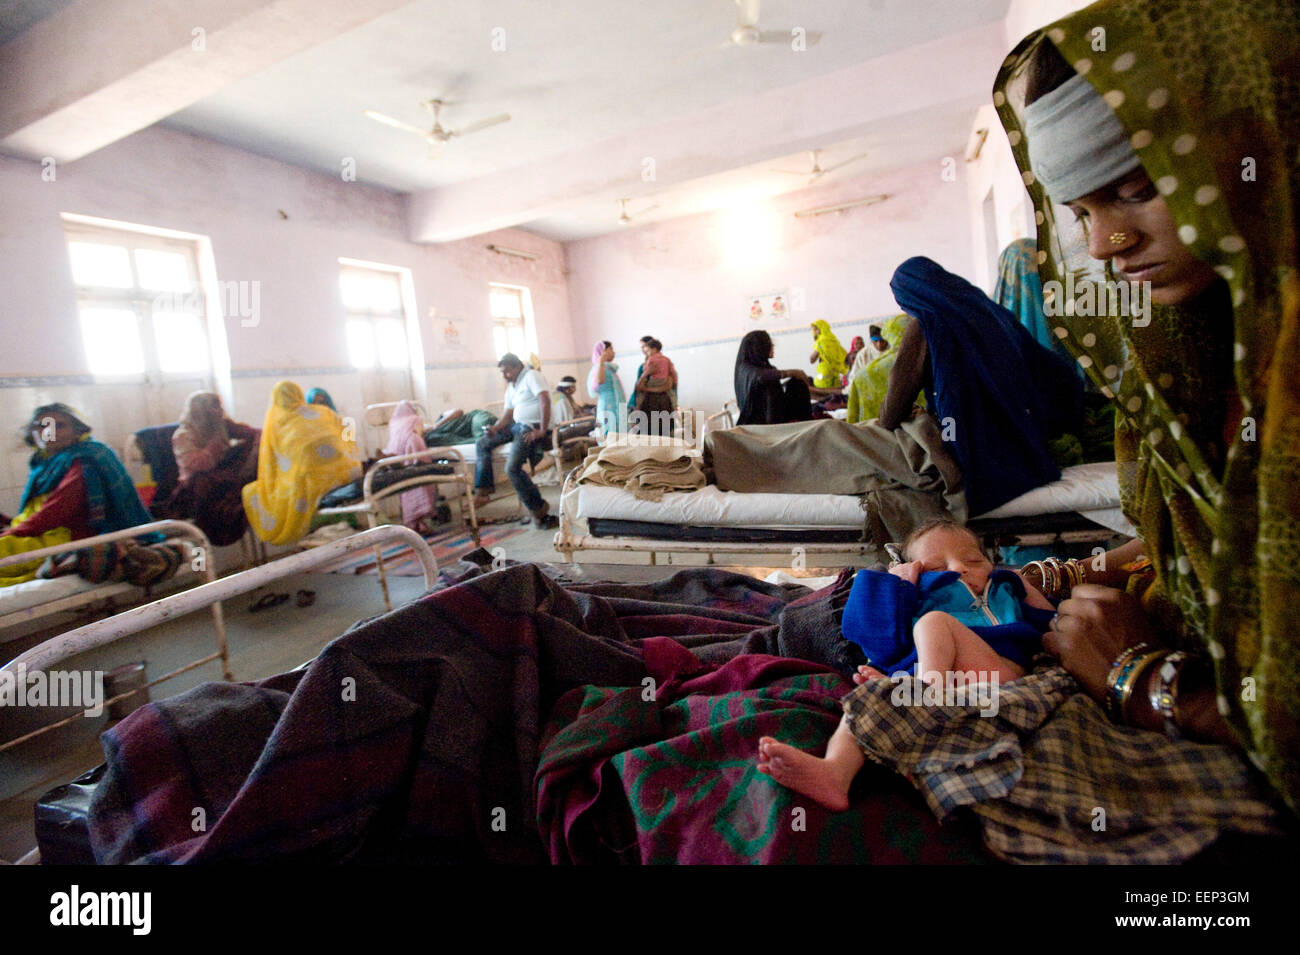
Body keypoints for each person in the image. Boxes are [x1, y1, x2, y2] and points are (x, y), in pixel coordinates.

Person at [991, 0, 1299, 810]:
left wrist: (1144, 680)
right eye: (1083, 212)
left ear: (1258, 147)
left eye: (1135, 189)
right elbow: (1216, 550)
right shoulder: (1189, 347)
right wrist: (1086, 568)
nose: (1102, 245)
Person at [756, 520, 1056, 810]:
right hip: (944, 686)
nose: (958, 568)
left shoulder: (1004, 588)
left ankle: (923, 697)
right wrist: (894, 585)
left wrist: (1023, 584)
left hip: (1000, 673)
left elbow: (1052, 624)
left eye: (973, 560)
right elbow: (872, 636)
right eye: (936, 567)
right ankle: (835, 773)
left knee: (934, 625)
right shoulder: (915, 597)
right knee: (867, 701)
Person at [1, 404, 154, 586]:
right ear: (32, 433)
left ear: (77, 430)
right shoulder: (44, 462)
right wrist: (11, 526)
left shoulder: (86, 459)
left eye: (60, 425)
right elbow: (36, 511)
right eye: (42, 426)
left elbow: (57, 511)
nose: (50, 431)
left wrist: (14, 532)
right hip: (41, 531)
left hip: (70, 538)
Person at [241, 381, 362, 546]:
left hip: (310, 483)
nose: (320, 403)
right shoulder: (324, 413)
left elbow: (272, 462)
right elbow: (350, 445)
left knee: (253, 493)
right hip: (348, 473)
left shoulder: (278, 422)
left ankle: (311, 533)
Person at [156, 392, 260, 546]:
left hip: (223, 478)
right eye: (214, 408)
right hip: (195, 486)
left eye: (219, 407)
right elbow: (201, 465)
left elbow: (256, 433)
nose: (218, 411)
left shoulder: (222, 425)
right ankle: (205, 546)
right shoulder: (183, 435)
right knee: (203, 481)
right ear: (200, 411)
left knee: (248, 448)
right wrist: (215, 442)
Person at [473, 353, 556, 528]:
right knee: (482, 443)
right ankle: (483, 491)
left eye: (507, 371)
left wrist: (542, 429)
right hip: (517, 425)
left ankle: (540, 512)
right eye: (501, 372)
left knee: (512, 468)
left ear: (517, 367)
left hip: (530, 427)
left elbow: (545, 401)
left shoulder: (532, 376)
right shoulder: (512, 386)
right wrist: (495, 428)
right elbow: (508, 414)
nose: (504, 376)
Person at [845, 314, 926, 425]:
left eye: (882, 340)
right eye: (875, 341)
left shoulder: (903, 358)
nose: (879, 344)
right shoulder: (863, 354)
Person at [381, 400, 442, 535]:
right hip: (414, 446)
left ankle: (413, 523)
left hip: (395, 451)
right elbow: (419, 434)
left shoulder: (393, 422)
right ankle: (420, 521)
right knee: (422, 482)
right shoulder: (416, 419)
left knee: (406, 486)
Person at [733, 330, 813, 426]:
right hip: (757, 422)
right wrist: (790, 372)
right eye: (769, 344)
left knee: (796, 384)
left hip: (773, 417)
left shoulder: (762, 366)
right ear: (759, 347)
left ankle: (803, 422)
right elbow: (760, 376)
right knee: (773, 383)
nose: (772, 347)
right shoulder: (745, 368)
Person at [631, 337, 676, 437]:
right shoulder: (643, 367)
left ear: (654, 349)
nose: (644, 350)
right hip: (647, 406)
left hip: (662, 404)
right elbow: (638, 389)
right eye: (642, 347)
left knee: (663, 436)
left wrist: (647, 389)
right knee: (648, 436)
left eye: (645, 347)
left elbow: (668, 385)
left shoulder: (663, 363)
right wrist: (646, 373)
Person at [588, 340, 628, 439]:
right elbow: (599, 381)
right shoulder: (599, 367)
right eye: (611, 349)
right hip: (608, 406)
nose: (613, 352)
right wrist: (601, 361)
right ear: (603, 351)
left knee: (621, 436)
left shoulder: (609, 368)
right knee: (610, 435)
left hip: (615, 404)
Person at [807, 319, 847, 391]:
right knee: (834, 395)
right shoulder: (834, 340)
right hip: (835, 373)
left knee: (819, 391)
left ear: (820, 329)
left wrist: (816, 344)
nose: (813, 332)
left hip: (824, 373)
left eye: (815, 329)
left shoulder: (821, 342)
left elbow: (812, 359)